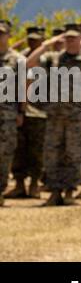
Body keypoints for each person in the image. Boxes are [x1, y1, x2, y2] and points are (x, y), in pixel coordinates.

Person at [29, 25, 81, 206]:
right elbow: (29, 63)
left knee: (74, 154)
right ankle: (55, 192)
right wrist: (46, 45)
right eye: (67, 38)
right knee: (52, 154)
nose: (70, 41)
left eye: (73, 38)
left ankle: (69, 191)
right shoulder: (53, 59)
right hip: (55, 116)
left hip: (77, 117)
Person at [6, 26, 49, 199]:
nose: (33, 42)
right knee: (19, 149)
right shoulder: (20, 57)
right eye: (30, 39)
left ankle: (34, 184)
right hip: (21, 110)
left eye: (36, 39)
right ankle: (19, 184)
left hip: (40, 110)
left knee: (37, 150)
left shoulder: (47, 59)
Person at [0, 22, 21, 204]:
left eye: (2, 34)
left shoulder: (17, 60)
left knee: (5, 154)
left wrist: (21, 111)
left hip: (7, 115)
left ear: (9, 36)